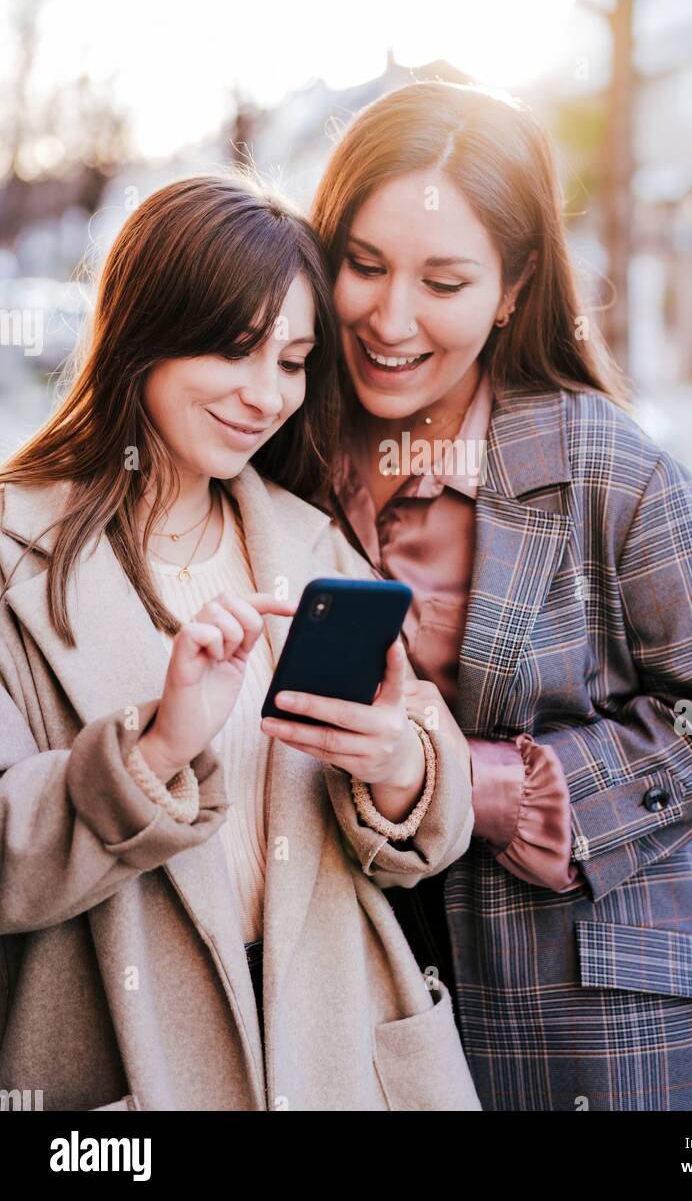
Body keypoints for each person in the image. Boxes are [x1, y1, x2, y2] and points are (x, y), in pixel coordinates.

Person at [309, 80, 692, 1111]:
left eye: (443, 280)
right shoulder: (280, 457)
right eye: (366, 265)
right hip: (355, 1007)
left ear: (512, 288)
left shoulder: (608, 466)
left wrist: (472, 785)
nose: (389, 317)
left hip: (594, 1026)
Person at [0, 173, 481, 1112]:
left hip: (342, 1048)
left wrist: (399, 765)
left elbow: (435, 818)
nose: (267, 396)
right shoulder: (15, 556)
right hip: (130, 1055)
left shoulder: (310, 545)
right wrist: (155, 749)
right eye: (235, 350)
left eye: (295, 361)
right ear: (142, 331)